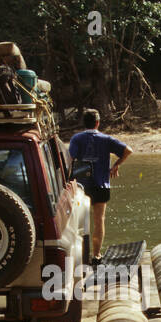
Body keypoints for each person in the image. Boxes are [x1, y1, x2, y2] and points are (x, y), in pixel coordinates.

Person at [68, 109, 131, 266]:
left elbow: (70, 159)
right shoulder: (106, 139)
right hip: (101, 185)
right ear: (98, 123)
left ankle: (79, 256)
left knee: (78, 222)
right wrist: (116, 165)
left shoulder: (77, 138)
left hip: (81, 186)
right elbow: (128, 150)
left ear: (84, 123)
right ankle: (96, 256)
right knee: (99, 220)